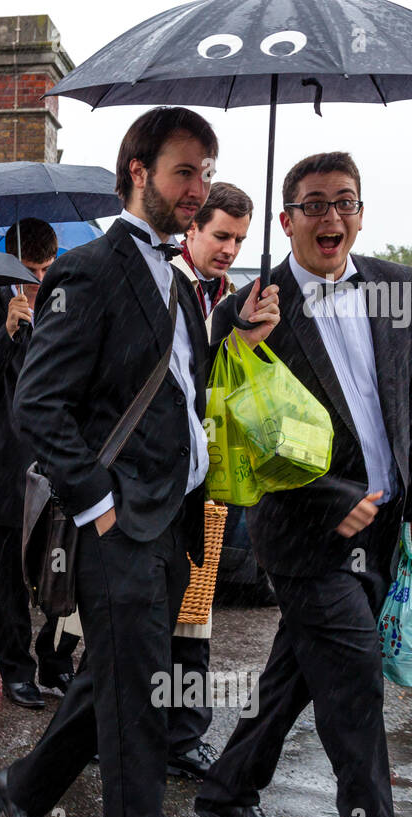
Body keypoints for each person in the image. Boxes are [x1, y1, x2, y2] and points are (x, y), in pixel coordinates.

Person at [0, 107, 281, 817]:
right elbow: (38, 404)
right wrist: (99, 504)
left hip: (170, 524)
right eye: (186, 171)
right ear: (138, 171)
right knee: (138, 719)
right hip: (118, 532)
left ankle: (24, 790)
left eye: (206, 173)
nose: (198, 188)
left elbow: (176, 385)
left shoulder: (182, 282)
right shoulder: (89, 268)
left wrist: (234, 336)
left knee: (111, 689)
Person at [196, 152, 412, 817]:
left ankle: (226, 789)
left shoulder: (399, 288)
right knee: (356, 672)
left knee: (300, 671)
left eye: (345, 202)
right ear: (287, 219)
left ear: (361, 212)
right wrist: (243, 339)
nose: (331, 217)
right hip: (306, 532)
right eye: (313, 205)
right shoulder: (251, 306)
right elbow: (235, 426)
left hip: (386, 525)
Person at [0, 219, 74, 707]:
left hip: (61, 456)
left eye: (47, 268)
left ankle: (56, 658)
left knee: (65, 567)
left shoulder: (67, 301)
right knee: (8, 574)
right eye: (31, 269)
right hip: (9, 460)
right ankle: (15, 669)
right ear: (8, 263)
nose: (40, 279)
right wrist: (7, 333)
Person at [166, 181, 253, 781]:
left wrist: (248, 338)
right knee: (148, 619)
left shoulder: (231, 296)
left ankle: (184, 734)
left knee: (195, 612)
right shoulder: (165, 285)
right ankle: (110, 728)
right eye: (221, 235)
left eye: (239, 240)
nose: (229, 249)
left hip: (209, 474)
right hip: (157, 478)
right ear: (192, 229)